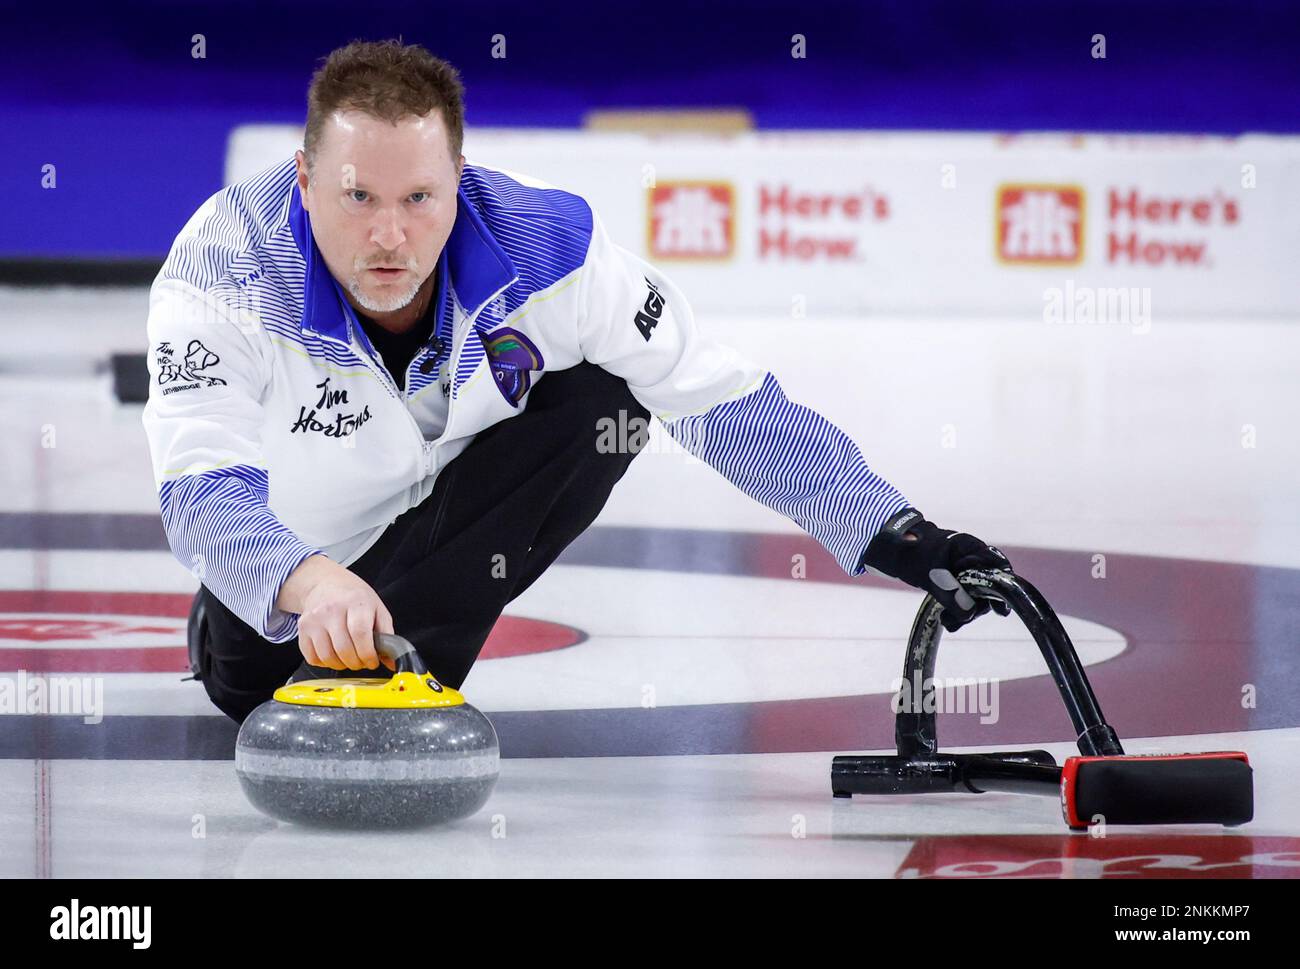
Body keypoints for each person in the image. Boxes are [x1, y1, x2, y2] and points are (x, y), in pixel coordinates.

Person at [142, 39, 1011, 725]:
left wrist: (898, 532)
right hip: (283, 606)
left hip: (427, 552)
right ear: (304, 179)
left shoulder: (548, 250)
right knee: (250, 672)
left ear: (459, 183)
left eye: (419, 199)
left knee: (608, 399)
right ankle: (288, 639)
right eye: (358, 197)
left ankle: (394, 668)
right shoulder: (225, 267)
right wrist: (303, 579)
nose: (389, 238)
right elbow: (198, 488)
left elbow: (715, 397)